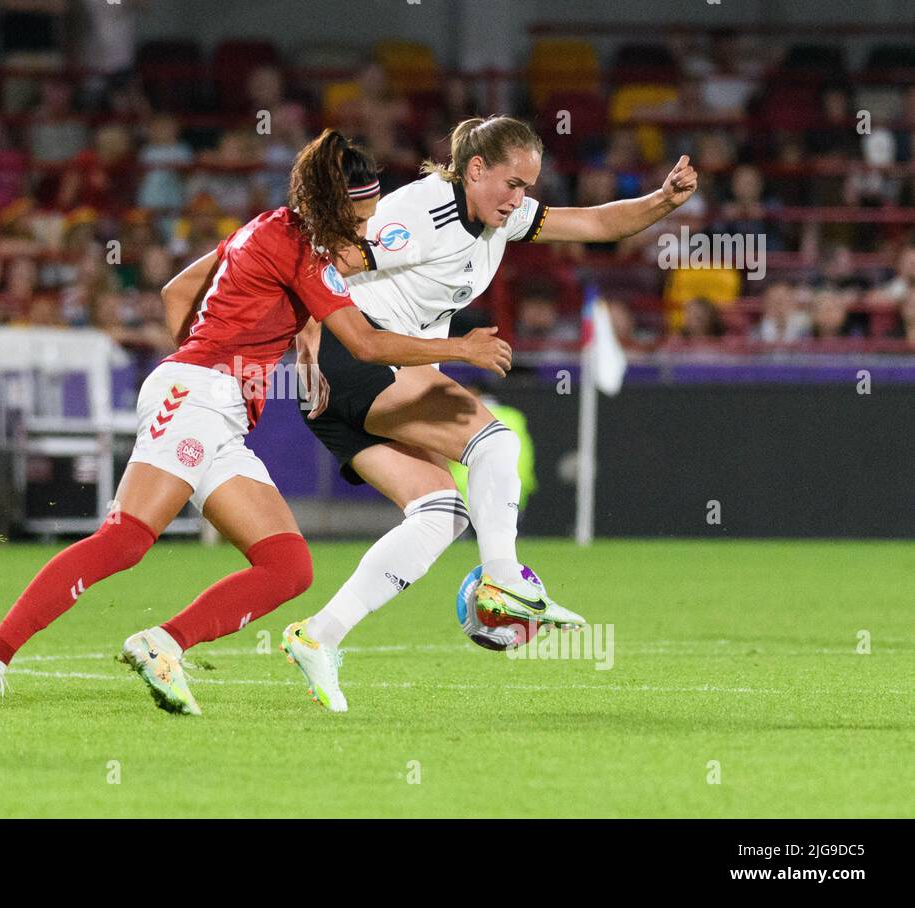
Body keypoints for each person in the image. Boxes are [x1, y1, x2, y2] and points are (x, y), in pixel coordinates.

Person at [0, 130, 513, 718]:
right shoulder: (302, 250)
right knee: (125, 540)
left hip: (215, 409)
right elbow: (367, 345)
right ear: (336, 206)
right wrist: (463, 351)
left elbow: (176, 293)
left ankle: (162, 643)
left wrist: (218, 356)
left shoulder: (268, 227)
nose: (365, 233)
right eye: (361, 217)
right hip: (197, 398)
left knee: (287, 567)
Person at [285, 115, 698, 711]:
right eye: (512, 183)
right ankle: (502, 579)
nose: (520, 198)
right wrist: (306, 337)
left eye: (528, 186)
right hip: (355, 359)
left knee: (441, 513)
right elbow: (320, 261)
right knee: (495, 443)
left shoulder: (500, 217)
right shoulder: (424, 214)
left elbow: (600, 222)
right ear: (475, 169)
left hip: (374, 372)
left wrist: (663, 200)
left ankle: (318, 636)